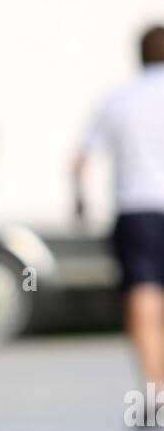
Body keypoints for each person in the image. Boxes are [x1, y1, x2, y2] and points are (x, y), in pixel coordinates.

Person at [74, 25, 164, 409]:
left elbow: (81, 156)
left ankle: (154, 389)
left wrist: (80, 201)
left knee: (143, 294)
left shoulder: (120, 98)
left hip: (136, 206)